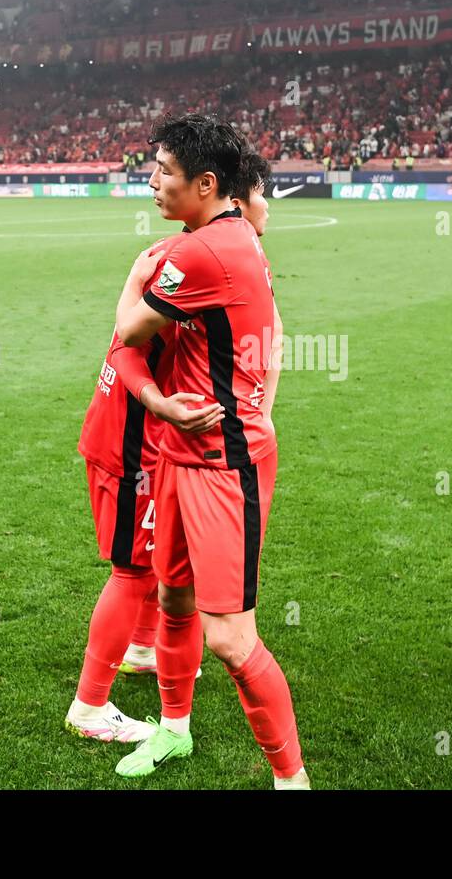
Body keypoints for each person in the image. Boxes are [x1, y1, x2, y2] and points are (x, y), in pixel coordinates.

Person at [112, 114, 307, 789]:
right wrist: (170, 406)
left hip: (224, 465)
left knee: (229, 636)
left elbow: (127, 333)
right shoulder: (226, 236)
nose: (152, 181)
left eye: (164, 171)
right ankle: (174, 728)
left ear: (205, 183)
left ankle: (292, 779)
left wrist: (137, 274)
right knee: (172, 599)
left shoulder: (202, 254)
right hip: (180, 453)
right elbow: (272, 333)